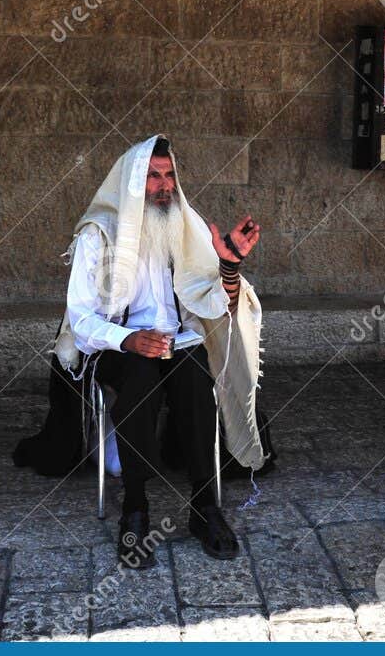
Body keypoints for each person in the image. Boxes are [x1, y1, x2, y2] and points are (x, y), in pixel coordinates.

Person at [13, 135, 269, 569]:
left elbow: (215, 304)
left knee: (197, 376)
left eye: (169, 175)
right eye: (153, 176)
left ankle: (205, 507)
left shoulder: (185, 227)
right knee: (139, 378)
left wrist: (229, 266)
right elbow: (81, 319)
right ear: (132, 181)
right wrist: (129, 339)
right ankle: (135, 509)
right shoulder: (98, 234)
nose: (164, 185)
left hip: (177, 341)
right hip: (116, 344)